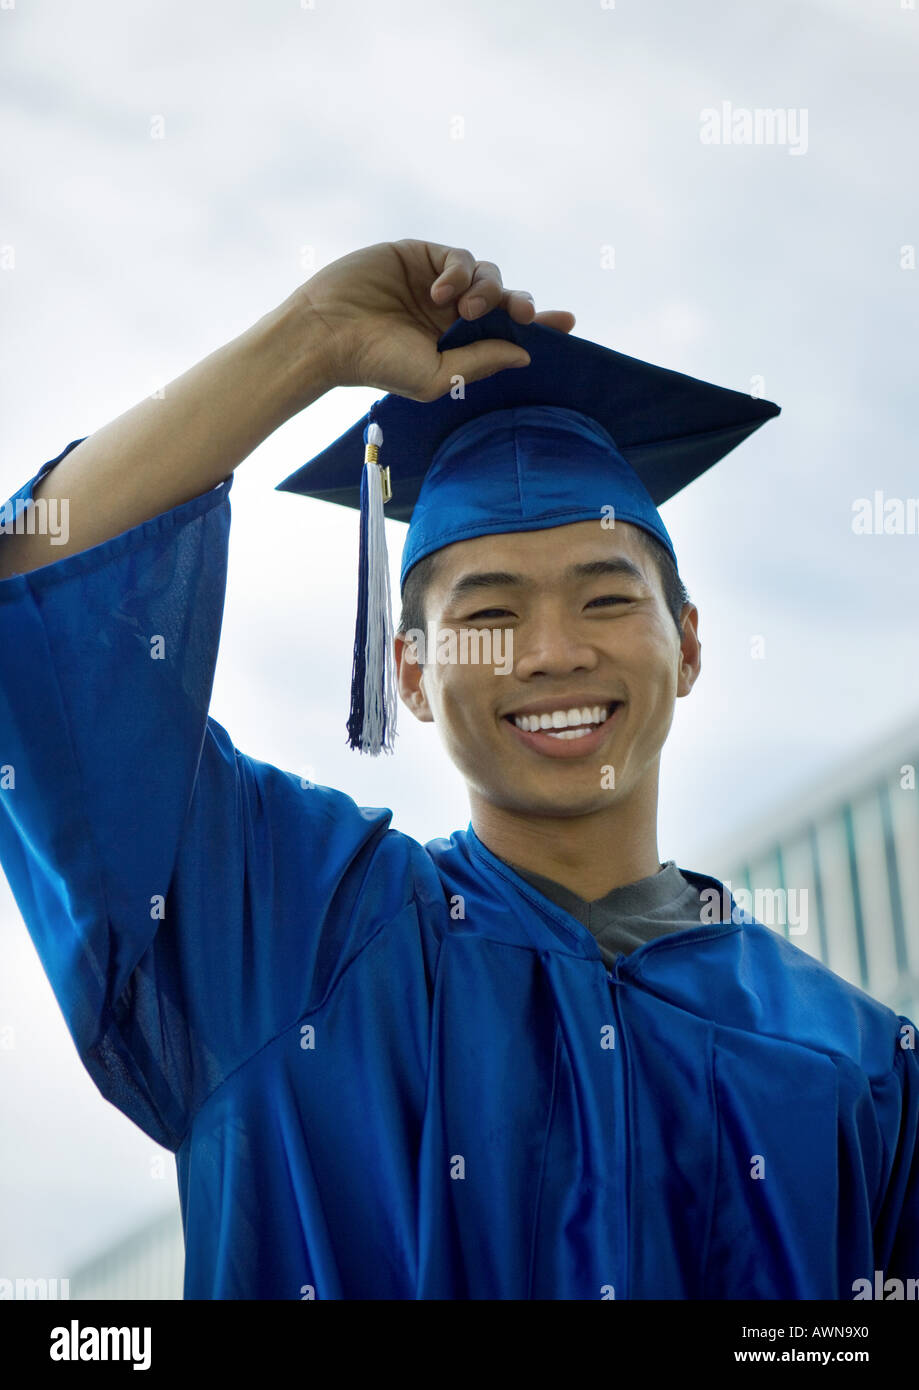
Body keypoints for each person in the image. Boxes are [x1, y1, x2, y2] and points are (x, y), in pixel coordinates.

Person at [0, 239, 916, 1300]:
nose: (551, 651)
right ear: (412, 672)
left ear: (691, 643)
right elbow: (41, 597)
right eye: (487, 614)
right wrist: (314, 339)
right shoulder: (288, 931)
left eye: (607, 598)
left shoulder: (854, 1067)